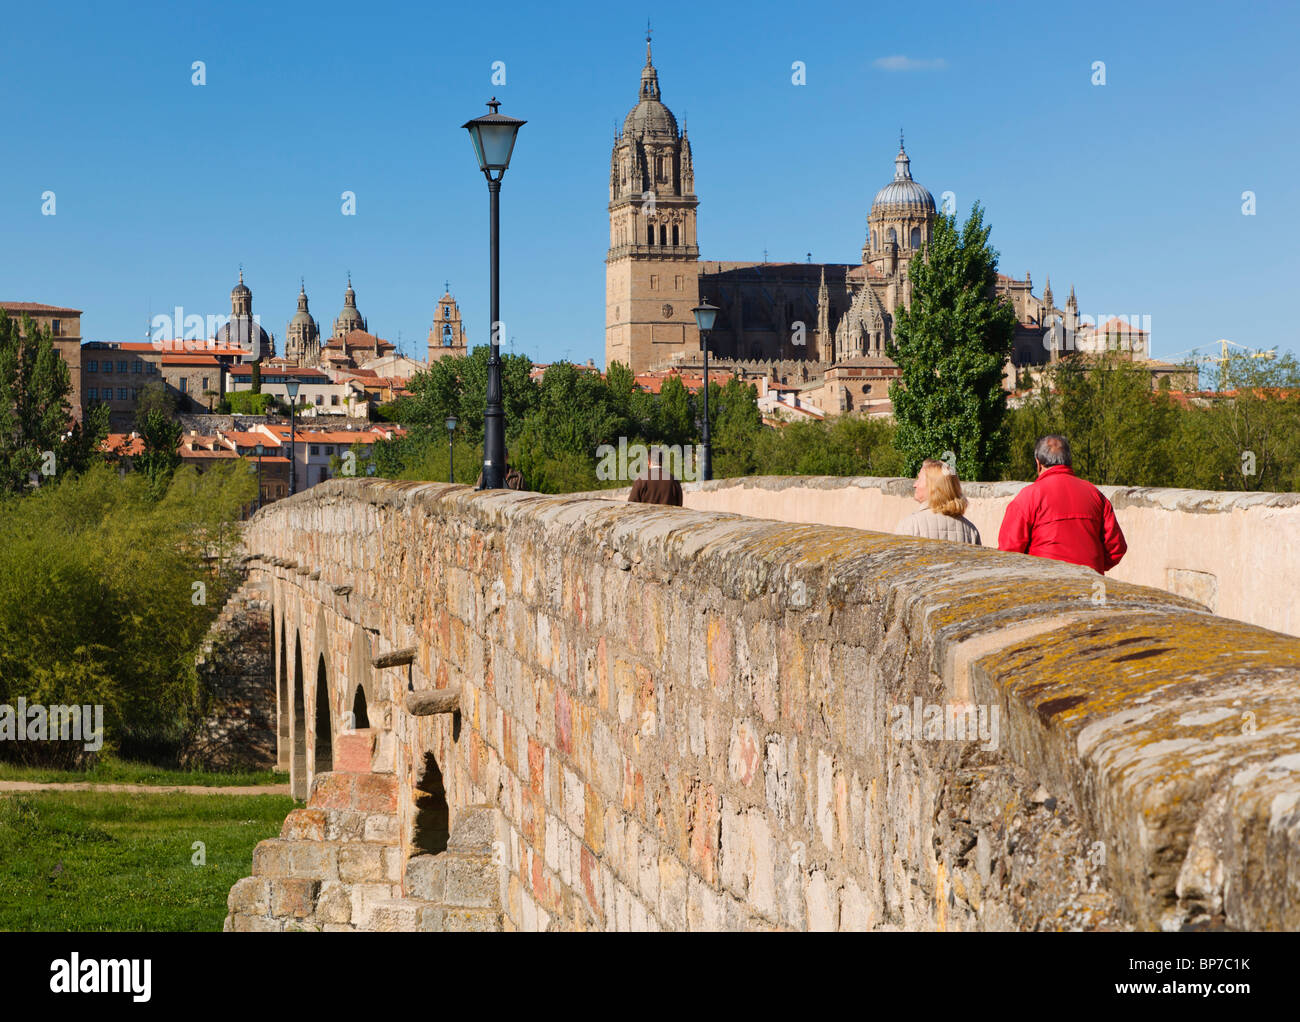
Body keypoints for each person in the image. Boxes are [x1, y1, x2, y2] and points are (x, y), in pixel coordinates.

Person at [998, 434, 1127, 574]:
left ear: (1038, 463)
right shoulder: (1095, 494)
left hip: (1046, 584)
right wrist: (1093, 566)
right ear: (1069, 461)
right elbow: (1115, 548)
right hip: (1090, 585)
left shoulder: (1028, 497)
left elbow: (1009, 552)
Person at [895, 458, 981, 544]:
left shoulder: (910, 525)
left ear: (933, 486)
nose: (914, 485)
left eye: (919, 479)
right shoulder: (971, 531)